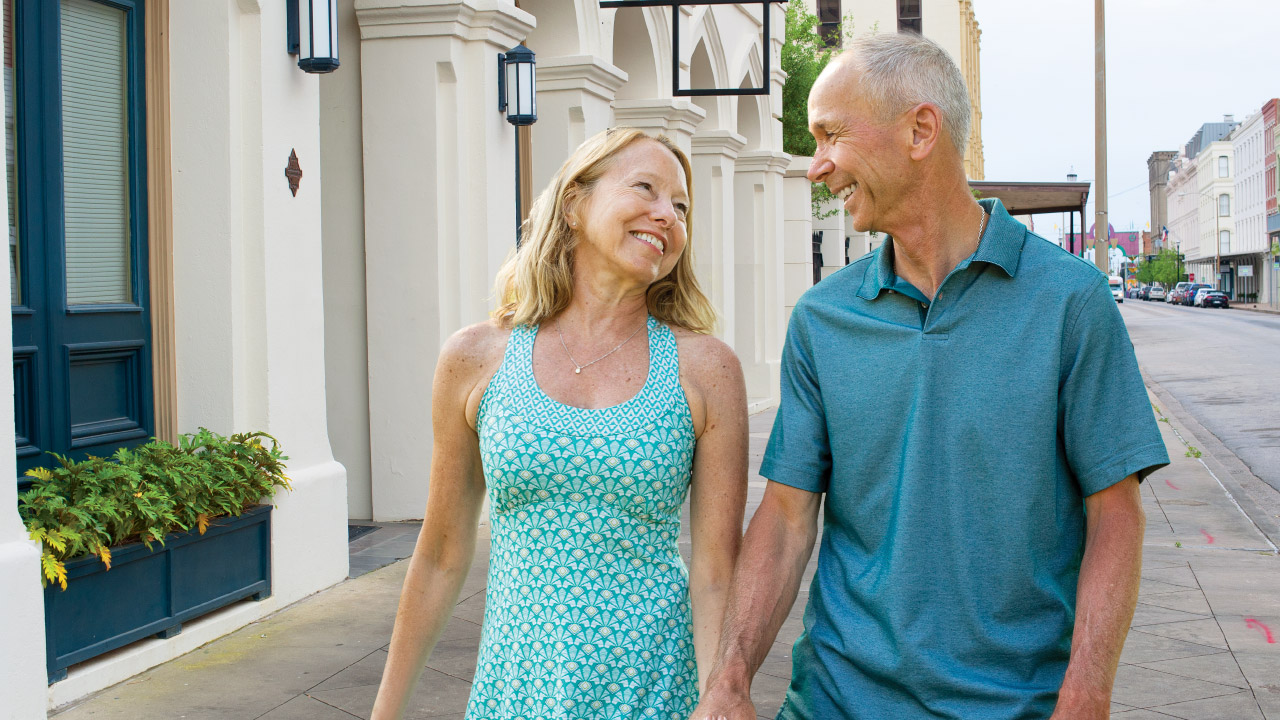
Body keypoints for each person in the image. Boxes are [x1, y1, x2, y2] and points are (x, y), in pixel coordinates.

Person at [692, 33, 1169, 720]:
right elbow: (787, 517)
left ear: (920, 130)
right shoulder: (822, 317)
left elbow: (1115, 513)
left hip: (1012, 706)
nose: (816, 166)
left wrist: (1086, 696)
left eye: (831, 135)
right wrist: (730, 678)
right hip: (834, 701)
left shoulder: (1071, 301)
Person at [370, 127, 748, 720]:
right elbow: (441, 553)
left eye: (681, 207)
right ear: (574, 204)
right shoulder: (476, 358)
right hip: (518, 692)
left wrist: (718, 702)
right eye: (645, 188)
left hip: (657, 693)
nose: (667, 215)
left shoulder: (706, 368)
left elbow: (715, 574)